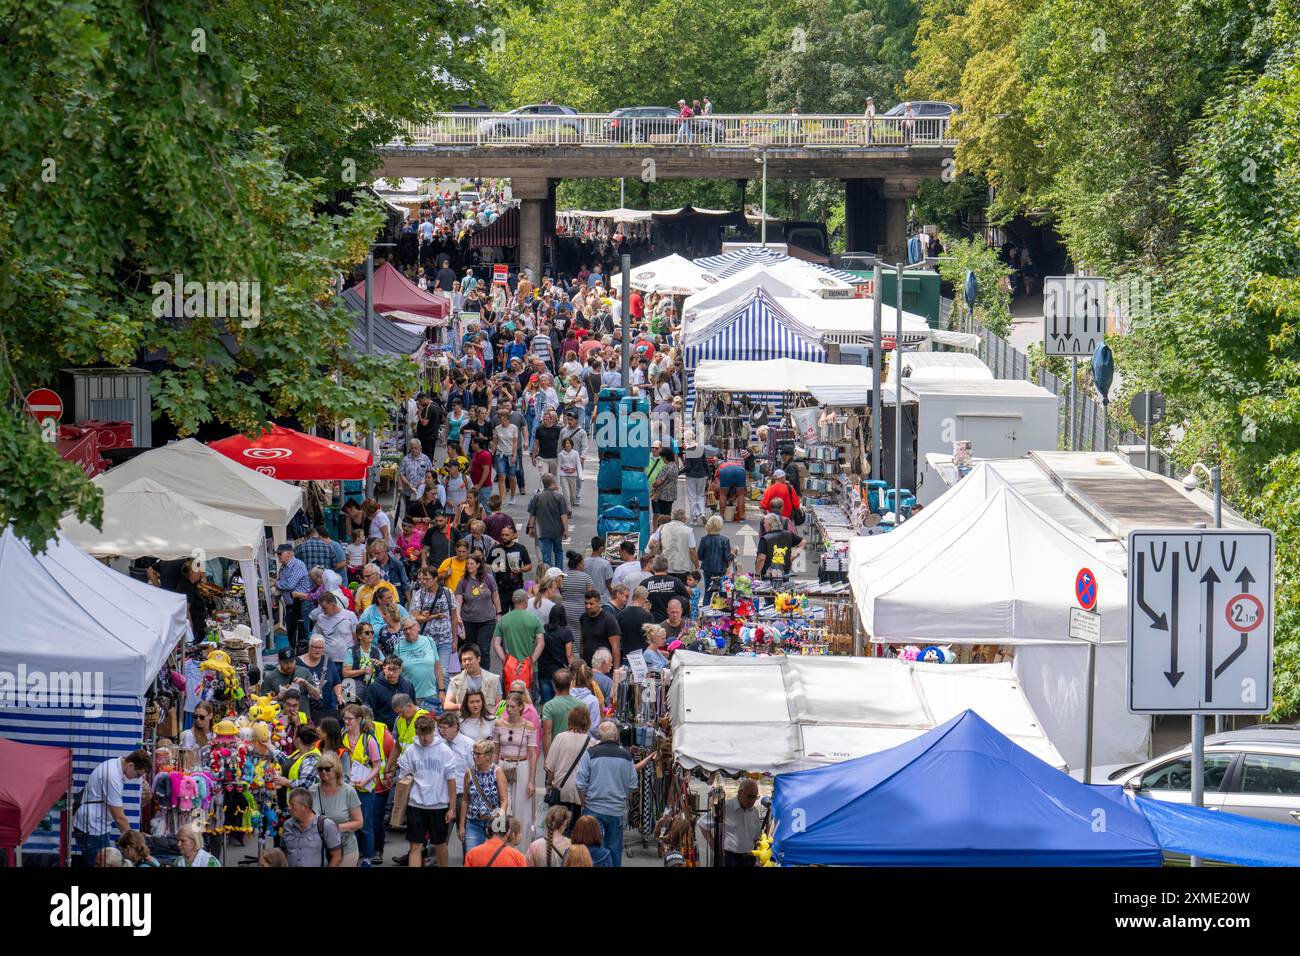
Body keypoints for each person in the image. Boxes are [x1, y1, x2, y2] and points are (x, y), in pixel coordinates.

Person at [397, 714, 460, 868]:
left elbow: (451, 782)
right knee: (415, 847)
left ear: (434, 731)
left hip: (438, 805)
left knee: (440, 846)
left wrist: (452, 808)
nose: (425, 739)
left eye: (428, 735)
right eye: (421, 735)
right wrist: (399, 806)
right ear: (417, 733)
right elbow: (403, 780)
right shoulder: (411, 751)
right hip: (416, 805)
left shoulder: (444, 751)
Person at [73, 749, 151, 866]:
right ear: (131, 765)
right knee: (103, 863)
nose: (137, 778)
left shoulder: (115, 764)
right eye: (138, 774)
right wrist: (136, 845)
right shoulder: (112, 776)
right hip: (92, 827)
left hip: (94, 825)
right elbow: (119, 818)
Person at [340, 704, 384, 866]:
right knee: (351, 822)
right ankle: (354, 853)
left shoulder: (369, 740)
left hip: (364, 788)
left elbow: (377, 765)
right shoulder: (342, 736)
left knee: (365, 824)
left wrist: (366, 780)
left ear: (359, 720)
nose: (346, 722)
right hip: (347, 787)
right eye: (345, 718)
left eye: (350, 719)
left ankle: (368, 857)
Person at [492, 692, 538, 842]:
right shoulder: (499, 724)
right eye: (508, 706)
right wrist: (492, 770)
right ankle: (499, 844)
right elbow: (496, 750)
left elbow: (533, 754)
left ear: (520, 707)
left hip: (522, 765)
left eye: (512, 707)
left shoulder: (529, 726)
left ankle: (521, 849)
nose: (509, 710)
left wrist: (532, 780)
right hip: (503, 765)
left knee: (521, 810)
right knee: (502, 807)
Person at [310, 750, 364, 866]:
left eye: (328, 768)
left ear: (337, 769)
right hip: (319, 848)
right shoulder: (313, 791)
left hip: (345, 846)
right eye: (320, 769)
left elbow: (359, 822)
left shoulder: (348, 791)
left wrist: (335, 828)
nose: (324, 772)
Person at [459, 740, 511, 854]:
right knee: (471, 855)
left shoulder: (497, 772)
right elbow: (465, 800)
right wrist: (462, 826)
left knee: (495, 858)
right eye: (474, 753)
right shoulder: (469, 772)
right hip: (473, 822)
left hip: (494, 822)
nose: (475, 757)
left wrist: (499, 818)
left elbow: (504, 800)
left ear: (488, 756)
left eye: (478, 754)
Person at [701, 777, 764, 866]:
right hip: (730, 858)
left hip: (749, 858)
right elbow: (703, 824)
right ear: (740, 793)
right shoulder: (726, 807)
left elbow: (757, 837)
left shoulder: (754, 812)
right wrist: (715, 847)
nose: (753, 801)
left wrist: (757, 856)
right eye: (750, 797)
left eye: (755, 797)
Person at [493, 588, 544, 686]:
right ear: (526, 600)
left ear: (513, 601)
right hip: (530, 668)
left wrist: (505, 660)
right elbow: (541, 643)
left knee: (507, 697)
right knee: (529, 697)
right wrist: (531, 660)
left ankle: (504, 702)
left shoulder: (503, 620)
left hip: (509, 667)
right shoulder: (534, 619)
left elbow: (496, 644)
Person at [455, 553, 500, 662]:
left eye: (472, 563)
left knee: (483, 649)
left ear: (478, 565)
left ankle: (485, 675)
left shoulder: (488, 579)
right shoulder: (463, 581)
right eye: (468, 564)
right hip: (468, 621)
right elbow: (458, 600)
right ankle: (471, 674)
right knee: (470, 650)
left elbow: (495, 596)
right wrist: (457, 615)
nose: (469, 566)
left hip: (487, 620)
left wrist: (499, 613)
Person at [282, 787, 344, 867]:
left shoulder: (326, 825)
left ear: (305, 807)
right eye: (289, 804)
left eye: (293, 805)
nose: (289, 808)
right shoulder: (287, 825)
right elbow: (284, 851)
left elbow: (337, 857)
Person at [394, 616, 444, 710]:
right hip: (409, 698)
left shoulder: (429, 641)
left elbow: (437, 667)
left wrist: (441, 690)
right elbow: (396, 672)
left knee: (431, 723)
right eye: (405, 629)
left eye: (410, 627)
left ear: (417, 627)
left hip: (431, 695)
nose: (408, 631)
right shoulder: (398, 647)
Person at [444, 644, 503, 713]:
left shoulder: (494, 679)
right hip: (463, 721)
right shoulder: (455, 681)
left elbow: (500, 706)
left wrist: (494, 720)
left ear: (478, 659)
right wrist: (460, 706)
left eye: (470, 659)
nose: (467, 663)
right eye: (464, 660)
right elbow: (446, 705)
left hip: (488, 721)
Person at [528, 473, 570, 570]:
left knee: (546, 555)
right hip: (557, 530)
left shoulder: (537, 497)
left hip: (542, 531)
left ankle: (549, 575)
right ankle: (559, 573)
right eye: (555, 482)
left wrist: (531, 528)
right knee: (558, 551)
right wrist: (566, 530)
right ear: (551, 484)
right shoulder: (559, 497)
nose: (557, 484)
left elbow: (533, 515)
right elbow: (564, 515)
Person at [578, 589, 622, 668]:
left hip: (604, 668)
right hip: (587, 666)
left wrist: (616, 670)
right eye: (586, 603)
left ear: (599, 603)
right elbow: (582, 639)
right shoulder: (583, 618)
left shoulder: (609, 619)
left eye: (591, 604)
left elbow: (616, 647)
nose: (588, 606)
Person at [755, 511, 804, 581]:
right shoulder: (789, 534)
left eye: (765, 523)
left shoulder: (764, 539)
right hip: (785, 572)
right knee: (784, 590)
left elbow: (761, 559)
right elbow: (803, 543)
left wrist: (757, 575)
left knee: (769, 591)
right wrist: (793, 556)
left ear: (770, 525)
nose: (764, 525)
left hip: (768, 575)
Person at [643, 556, 693, 622]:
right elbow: (688, 601)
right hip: (673, 622)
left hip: (653, 624)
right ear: (667, 568)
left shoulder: (645, 583)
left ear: (654, 568)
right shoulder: (676, 582)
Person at [698, 514, 734, 602]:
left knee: (708, 592)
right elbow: (727, 557)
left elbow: (700, 556)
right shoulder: (724, 540)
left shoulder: (704, 539)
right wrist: (733, 554)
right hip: (721, 569)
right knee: (722, 592)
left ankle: (705, 612)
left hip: (708, 569)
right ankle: (724, 611)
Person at [659, 508, 700, 583]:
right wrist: (697, 566)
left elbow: (653, 543)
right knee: (682, 591)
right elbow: (692, 551)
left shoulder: (662, 527)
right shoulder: (688, 531)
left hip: (666, 566)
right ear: (683, 518)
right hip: (683, 567)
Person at [398, 439, 434, 518]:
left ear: (420, 448)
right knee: (409, 511)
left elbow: (431, 473)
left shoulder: (426, 459)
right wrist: (407, 484)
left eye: (416, 448)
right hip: (409, 491)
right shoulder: (406, 459)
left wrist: (424, 480)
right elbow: (401, 474)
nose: (414, 450)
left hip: (422, 492)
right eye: (412, 448)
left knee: (422, 512)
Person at [649, 445, 679, 518]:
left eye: (662, 457)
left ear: (665, 457)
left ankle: (663, 528)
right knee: (667, 514)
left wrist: (653, 484)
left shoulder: (666, 467)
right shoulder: (675, 466)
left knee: (662, 516)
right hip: (671, 495)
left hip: (663, 496)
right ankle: (666, 528)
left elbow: (659, 482)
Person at [584, 536, 613, 603]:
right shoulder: (605, 564)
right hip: (602, 599)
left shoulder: (584, 562)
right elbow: (609, 584)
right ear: (601, 548)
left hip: (588, 598)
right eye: (604, 547)